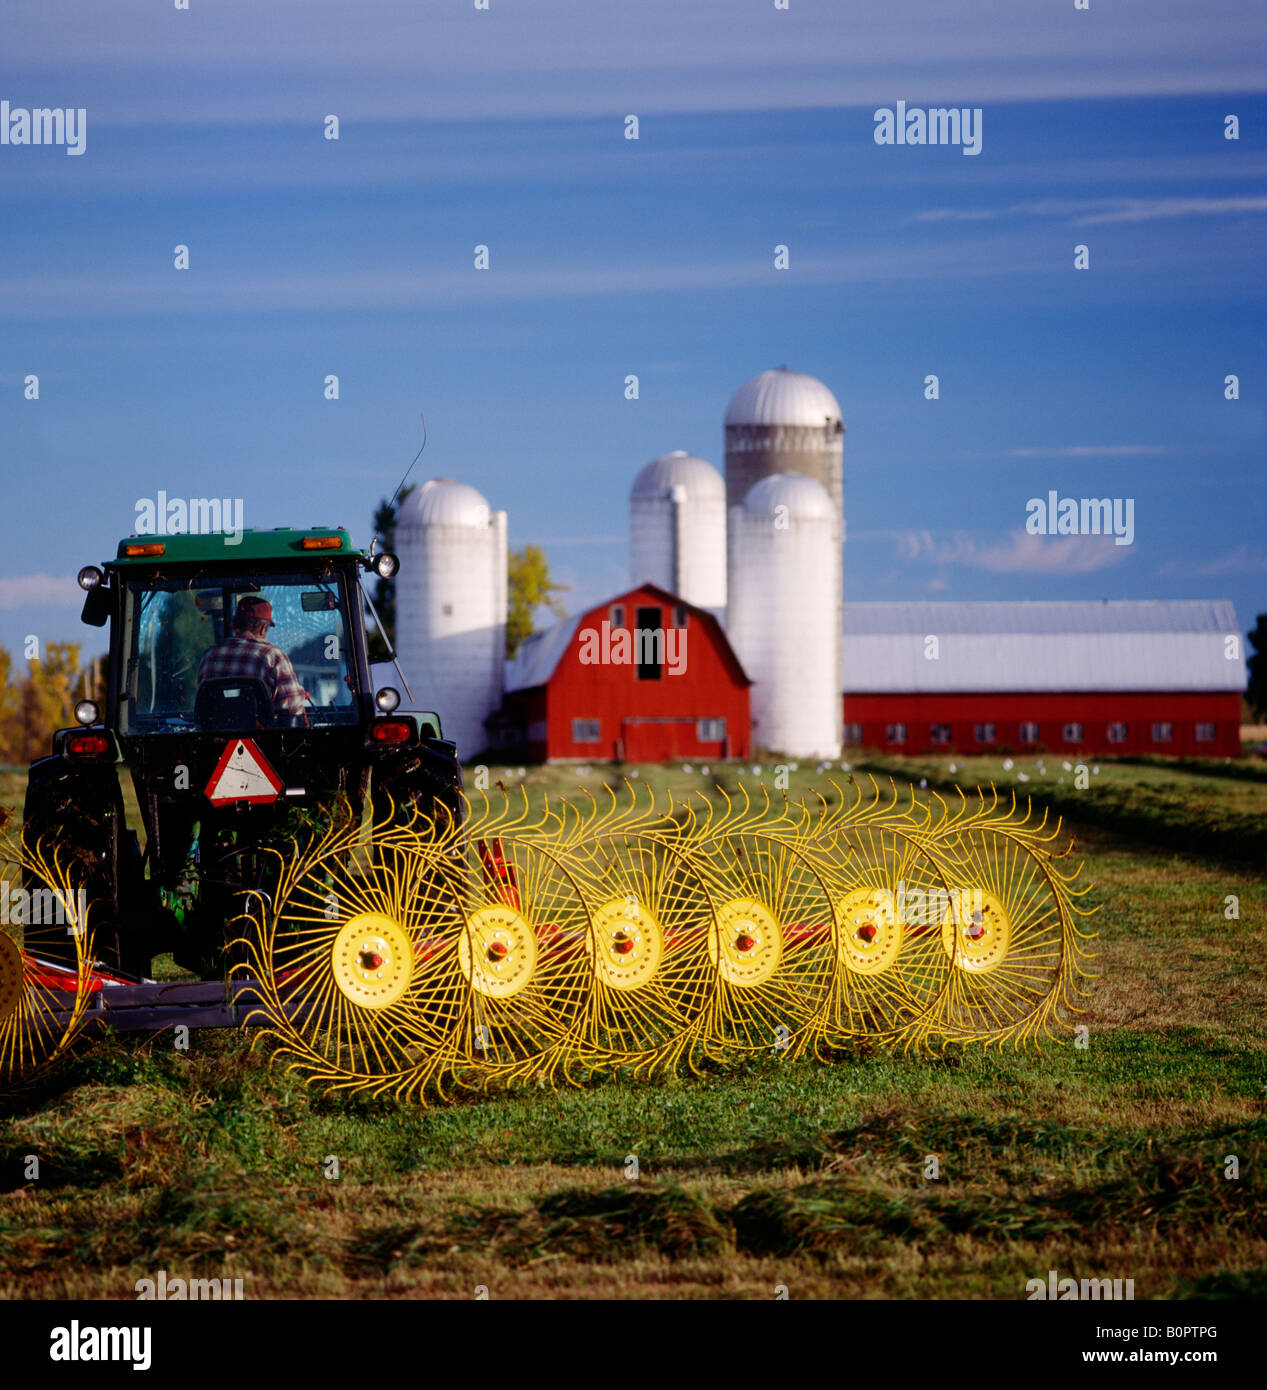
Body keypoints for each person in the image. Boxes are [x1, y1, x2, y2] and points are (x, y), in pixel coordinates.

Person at [197, 595, 309, 724]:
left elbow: (203, 703)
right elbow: (292, 706)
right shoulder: (273, 656)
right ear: (262, 629)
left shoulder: (209, 655)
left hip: (215, 738)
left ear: (237, 624)